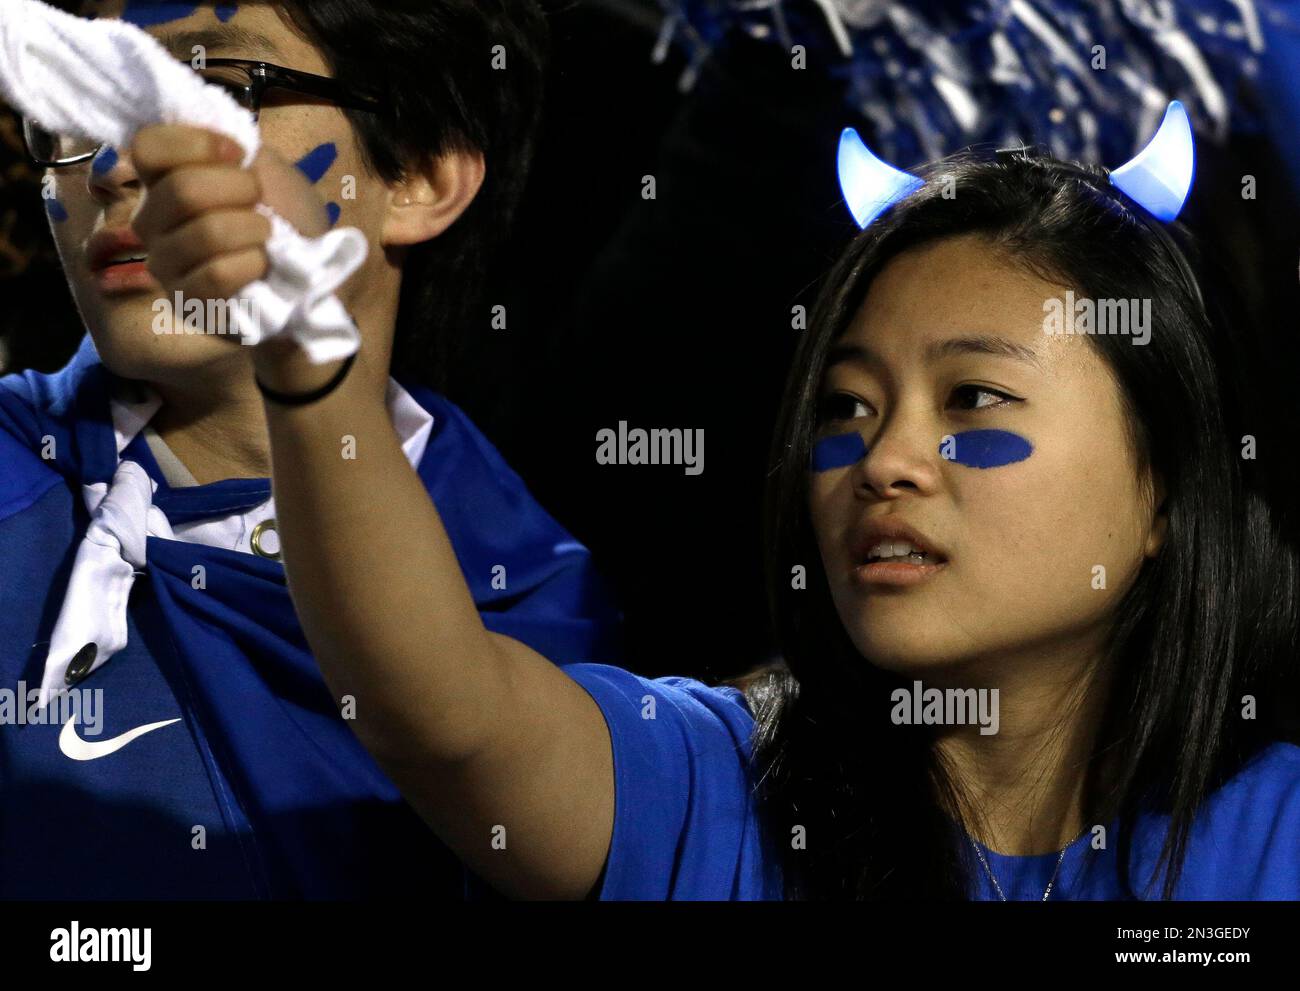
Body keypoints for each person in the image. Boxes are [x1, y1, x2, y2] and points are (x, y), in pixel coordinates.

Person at [47, 9, 1300, 899]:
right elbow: (437, 711)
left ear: (1167, 490)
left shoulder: (1278, 830)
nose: (885, 461)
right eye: (845, 410)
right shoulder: (711, 780)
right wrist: (308, 363)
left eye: (971, 396)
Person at [0, 0, 622, 899]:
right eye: (72, 110)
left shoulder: (546, 613)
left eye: (207, 89)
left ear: (419, 172)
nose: (112, 163)